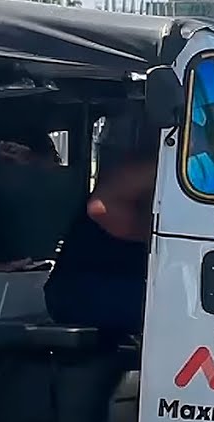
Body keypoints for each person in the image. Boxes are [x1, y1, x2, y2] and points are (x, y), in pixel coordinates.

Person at [44, 135, 156, 334]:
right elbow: (100, 209)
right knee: (173, 303)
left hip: (122, 284)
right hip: (85, 289)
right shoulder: (144, 171)